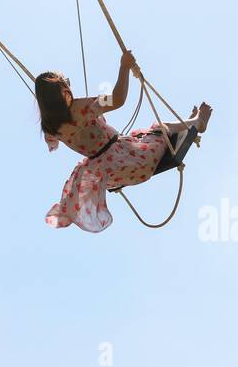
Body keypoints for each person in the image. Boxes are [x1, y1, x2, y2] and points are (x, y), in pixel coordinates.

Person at [38, 51, 210, 233]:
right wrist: (124, 67)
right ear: (63, 91)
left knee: (146, 134)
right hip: (132, 160)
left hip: (109, 175)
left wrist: (49, 110)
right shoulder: (81, 108)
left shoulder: (50, 128)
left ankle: (189, 123)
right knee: (158, 127)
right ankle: (195, 123)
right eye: (67, 84)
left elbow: (52, 145)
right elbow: (117, 99)